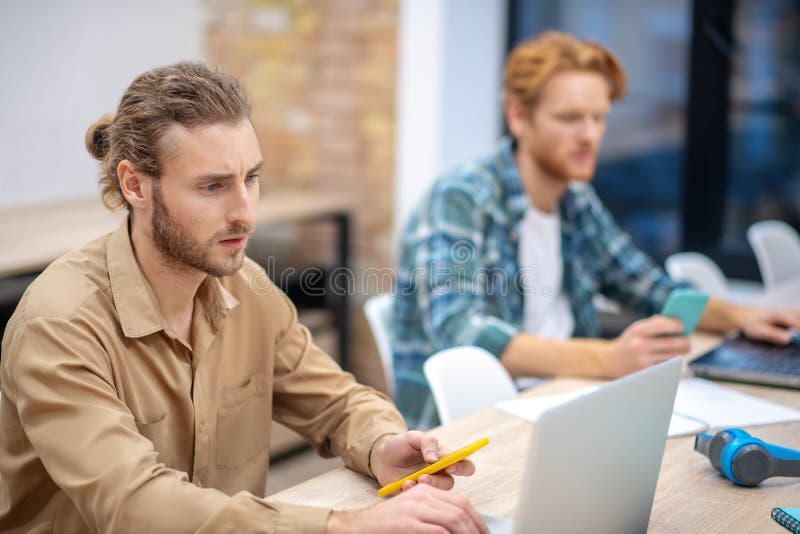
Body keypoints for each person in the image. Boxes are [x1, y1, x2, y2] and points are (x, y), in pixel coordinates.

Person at [0, 62, 488, 534]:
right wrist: (345, 525)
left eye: (251, 178)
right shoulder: (59, 325)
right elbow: (136, 509)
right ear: (135, 185)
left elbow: (338, 403)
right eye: (213, 186)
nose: (245, 212)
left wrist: (381, 444)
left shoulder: (247, 287)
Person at [393, 31, 800, 429]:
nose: (590, 135)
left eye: (599, 118)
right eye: (570, 118)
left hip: (566, 400)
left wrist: (742, 317)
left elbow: (647, 287)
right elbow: (461, 331)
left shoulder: (575, 199)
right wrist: (607, 359)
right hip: (478, 428)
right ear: (518, 116)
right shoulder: (461, 197)